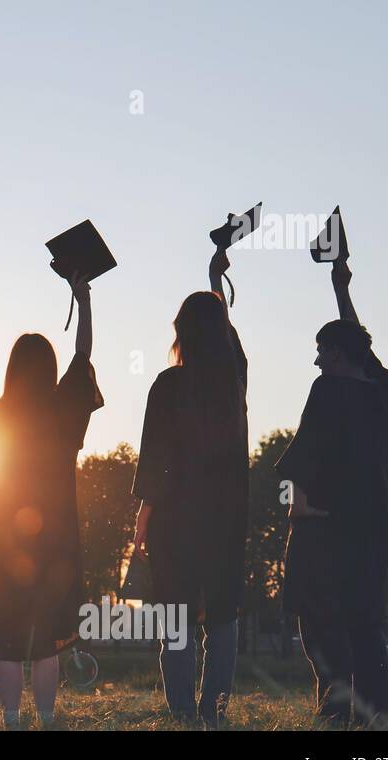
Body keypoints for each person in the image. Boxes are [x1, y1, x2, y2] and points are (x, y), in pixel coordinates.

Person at [0, 274, 102, 729]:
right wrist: (83, 300)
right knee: (49, 641)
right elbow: (83, 357)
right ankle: (49, 718)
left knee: (6, 639)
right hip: (55, 546)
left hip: (0, 547)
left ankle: (12, 719)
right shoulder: (62, 413)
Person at [131, 246, 249, 727]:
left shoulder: (166, 385)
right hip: (224, 516)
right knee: (222, 616)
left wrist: (143, 516)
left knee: (175, 617)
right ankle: (214, 711)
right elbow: (230, 340)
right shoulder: (232, 382)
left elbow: (153, 460)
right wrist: (215, 280)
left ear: (180, 331)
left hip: (175, 519)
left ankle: (182, 712)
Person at [275, 257, 388, 727]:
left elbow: (303, 453)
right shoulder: (381, 389)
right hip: (371, 528)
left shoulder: (327, 389)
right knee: (365, 624)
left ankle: (335, 710)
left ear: (337, 356)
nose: (318, 358)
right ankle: (374, 713)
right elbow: (360, 343)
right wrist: (341, 288)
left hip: (323, 526)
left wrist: (297, 505)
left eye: (322, 350)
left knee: (321, 624)